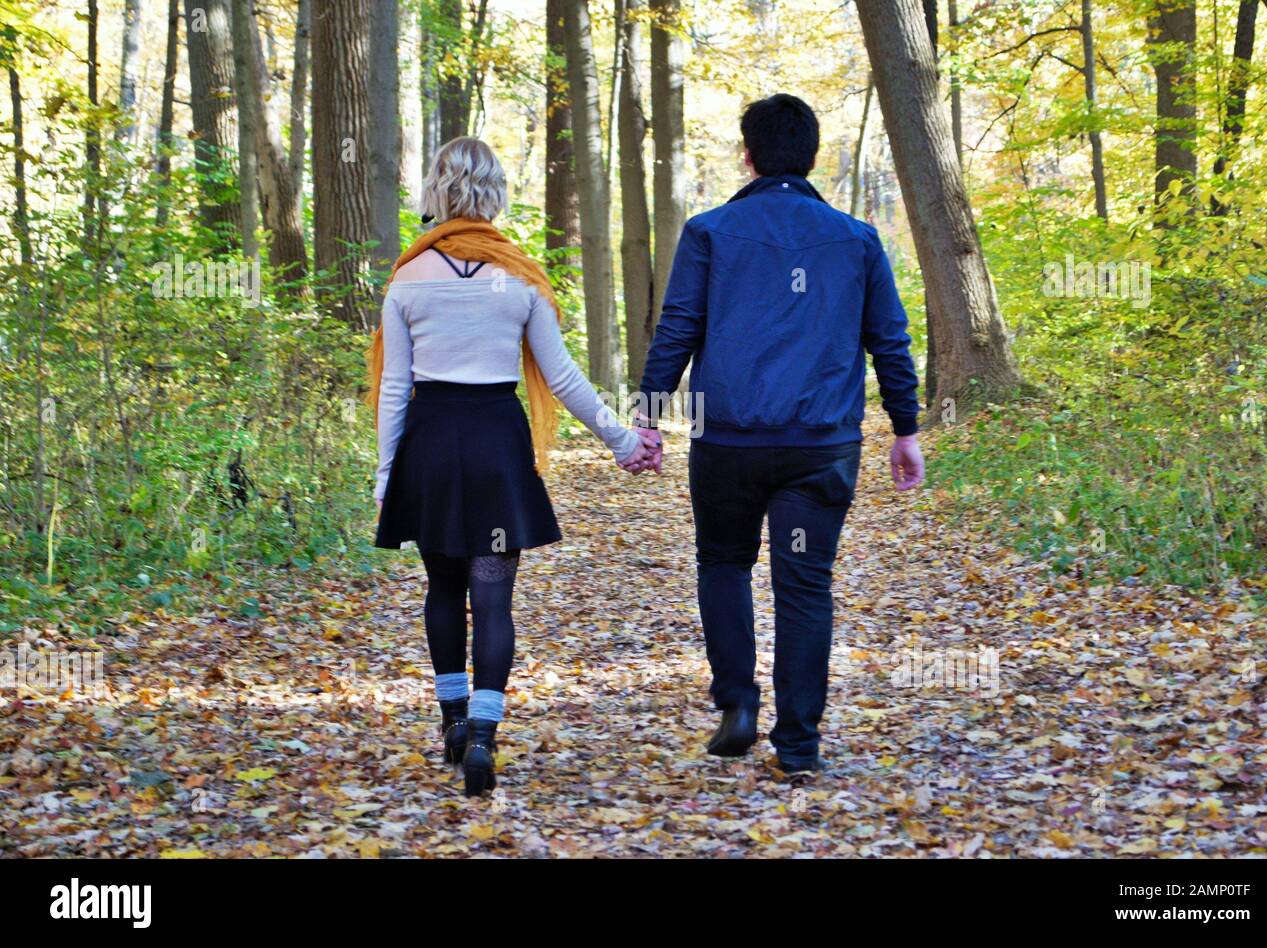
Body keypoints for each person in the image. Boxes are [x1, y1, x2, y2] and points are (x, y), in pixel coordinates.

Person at [635, 94, 924, 779]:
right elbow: (889, 339)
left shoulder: (711, 231)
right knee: (804, 585)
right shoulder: (856, 239)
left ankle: (737, 703)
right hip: (818, 445)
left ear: (748, 155)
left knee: (725, 563)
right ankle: (798, 743)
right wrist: (906, 428)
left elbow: (677, 326)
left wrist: (648, 416)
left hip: (729, 441)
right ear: (813, 156)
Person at [367, 136, 657, 797]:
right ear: (495, 193)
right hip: (498, 441)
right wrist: (620, 439)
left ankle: (451, 720)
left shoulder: (408, 277)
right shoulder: (519, 277)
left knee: (443, 588)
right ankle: (484, 738)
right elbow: (561, 377)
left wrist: (387, 476)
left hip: (432, 442)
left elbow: (393, 386)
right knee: (493, 595)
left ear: (437, 190)